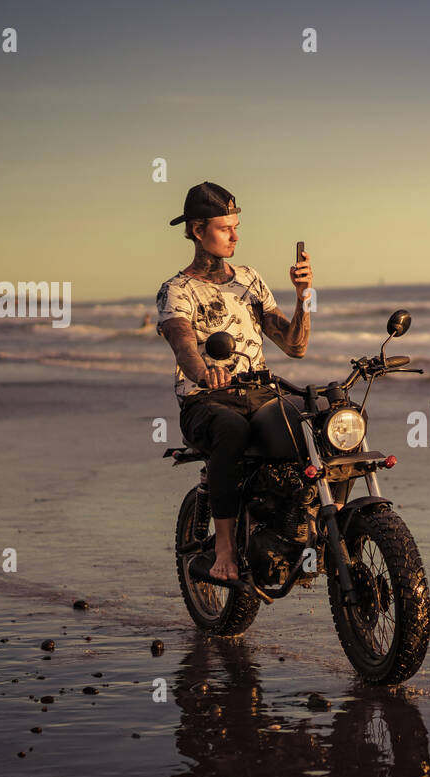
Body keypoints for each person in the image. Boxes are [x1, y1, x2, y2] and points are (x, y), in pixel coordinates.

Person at [156, 181, 312, 586]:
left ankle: (305, 527)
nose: (235, 236)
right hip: (207, 401)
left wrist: (303, 296)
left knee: (316, 423)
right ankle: (224, 550)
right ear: (196, 230)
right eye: (226, 228)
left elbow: (294, 346)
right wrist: (205, 371)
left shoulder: (249, 280)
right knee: (231, 431)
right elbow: (184, 344)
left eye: (236, 226)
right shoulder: (177, 290)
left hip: (259, 394)